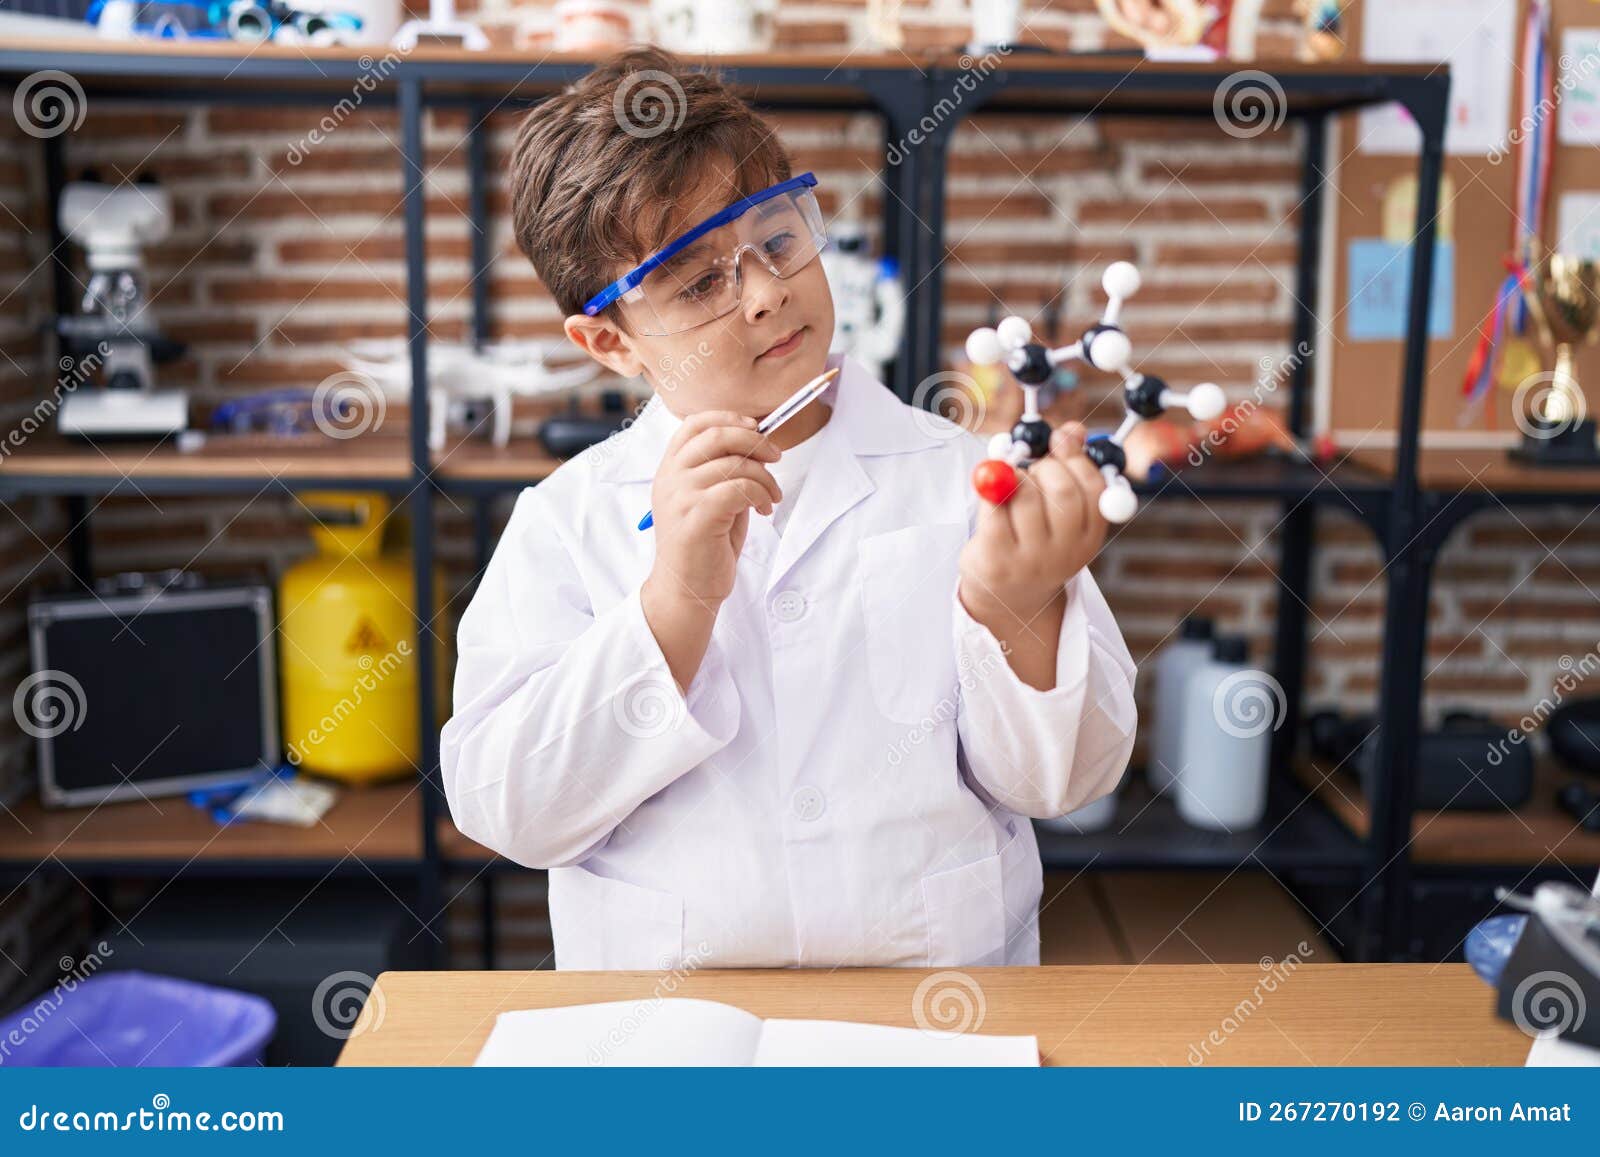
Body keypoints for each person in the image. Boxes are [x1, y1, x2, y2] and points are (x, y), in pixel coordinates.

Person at [440, 47, 1138, 970]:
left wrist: (1018, 611)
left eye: (777, 239)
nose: (767, 292)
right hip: (674, 1037)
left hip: (934, 1014)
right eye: (698, 283)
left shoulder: (966, 481)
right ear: (608, 341)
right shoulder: (567, 522)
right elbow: (510, 809)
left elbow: (1071, 779)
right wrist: (673, 607)